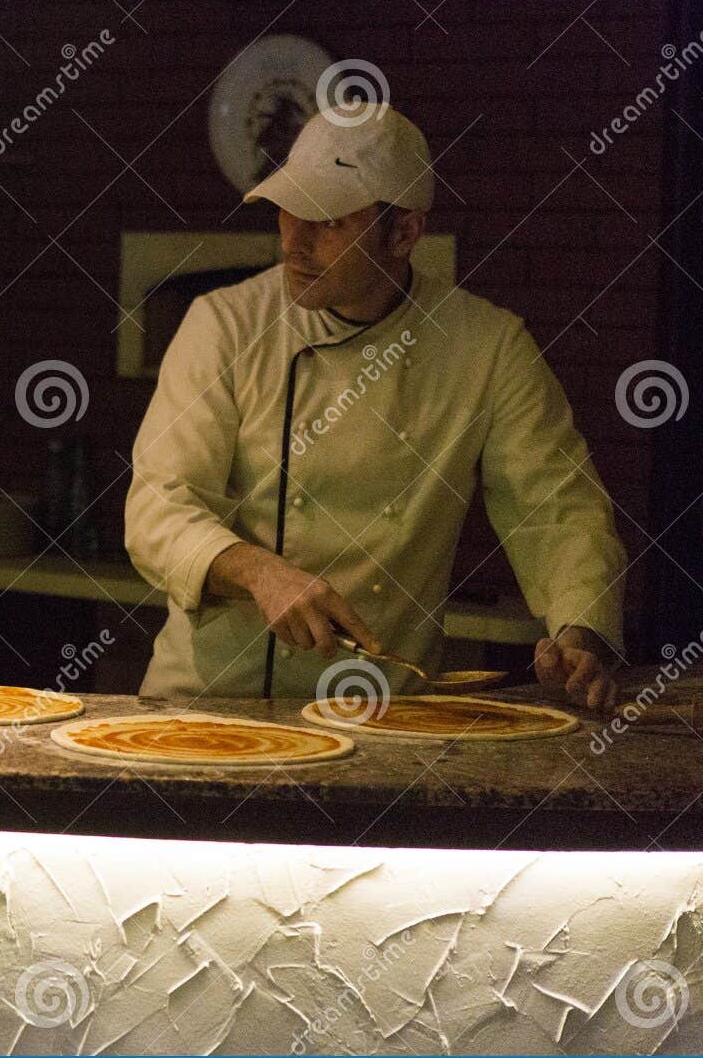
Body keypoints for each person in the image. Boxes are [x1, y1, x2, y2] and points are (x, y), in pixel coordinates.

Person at [126, 102, 626, 713]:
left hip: (385, 712)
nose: (294, 240)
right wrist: (258, 571)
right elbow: (158, 507)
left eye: (328, 221)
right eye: (288, 209)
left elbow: (559, 511)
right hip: (208, 703)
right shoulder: (224, 325)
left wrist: (580, 630)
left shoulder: (487, 348)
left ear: (405, 233)